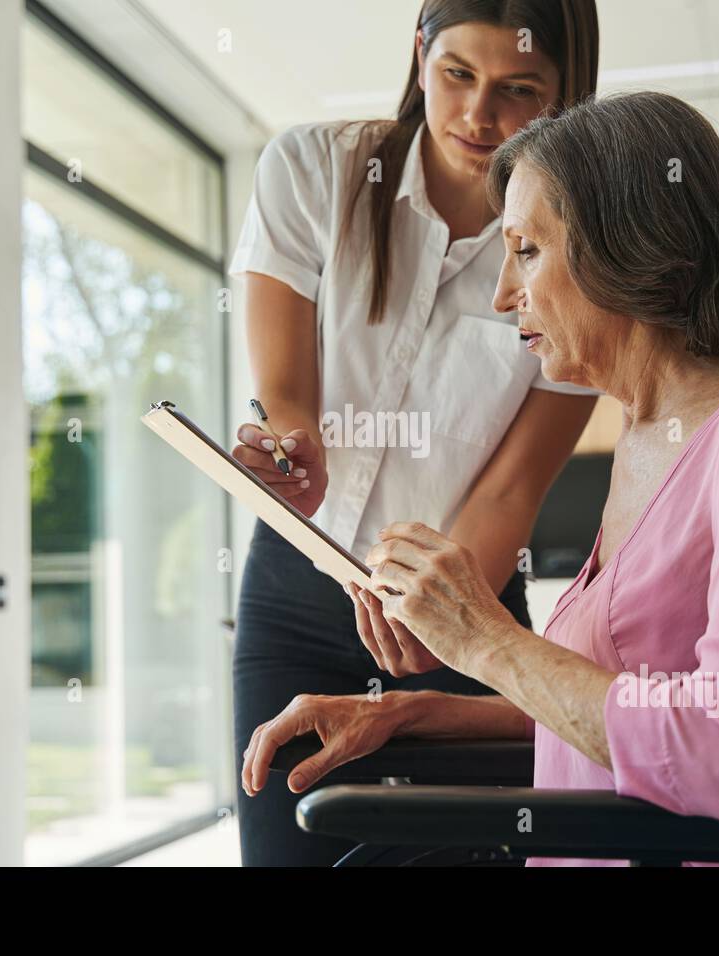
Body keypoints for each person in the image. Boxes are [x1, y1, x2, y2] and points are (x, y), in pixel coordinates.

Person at [243, 91, 719, 867]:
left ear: (628, 246)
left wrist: (487, 640)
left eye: (525, 249)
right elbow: (630, 711)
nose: (501, 295)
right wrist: (408, 711)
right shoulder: (646, 439)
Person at [227, 0, 602, 865]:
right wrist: (289, 456)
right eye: (457, 75)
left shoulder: (583, 256)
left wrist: (432, 609)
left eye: (520, 89)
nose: (480, 115)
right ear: (419, 55)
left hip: (463, 603)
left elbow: (513, 487)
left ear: (565, 93)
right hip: (296, 590)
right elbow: (285, 401)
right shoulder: (313, 170)